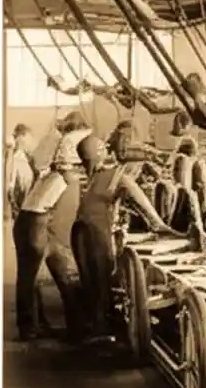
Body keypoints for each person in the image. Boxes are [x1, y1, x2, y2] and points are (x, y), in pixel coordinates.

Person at [71, 126, 173, 341]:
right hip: (95, 232)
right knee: (103, 276)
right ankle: (102, 328)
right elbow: (141, 202)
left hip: (79, 231)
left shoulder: (94, 176)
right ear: (100, 153)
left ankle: (95, 322)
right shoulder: (116, 176)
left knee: (91, 278)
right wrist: (160, 226)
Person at [13, 126, 93, 341]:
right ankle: (70, 327)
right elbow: (64, 222)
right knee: (61, 275)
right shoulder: (69, 180)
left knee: (30, 279)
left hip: (28, 222)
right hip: (37, 227)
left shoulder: (53, 175)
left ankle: (33, 325)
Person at [6, 124, 37, 219]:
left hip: (27, 200)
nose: (29, 142)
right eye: (27, 138)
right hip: (20, 202)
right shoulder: (14, 157)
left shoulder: (27, 157)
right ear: (20, 137)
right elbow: (10, 181)